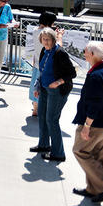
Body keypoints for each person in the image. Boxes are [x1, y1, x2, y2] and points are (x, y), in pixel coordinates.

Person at [71, 41, 103, 204]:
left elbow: (94, 104)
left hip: (96, 124)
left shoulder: (96, 76)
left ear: (92, 54)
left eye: (85, 51)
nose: (84, 53)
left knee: (80, 151)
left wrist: (87, 126)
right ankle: (93, 189)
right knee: (96, 156)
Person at [31, 27, 75, 162]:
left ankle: (58, 153)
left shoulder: (60, 53)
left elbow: (72, 73)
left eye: (48, 39)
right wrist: (38, 86)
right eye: (43, 39)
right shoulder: (45, 50)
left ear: (53, 39)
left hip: (57, 91)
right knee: (42, 116)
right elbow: (42, 70)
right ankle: (44, 145)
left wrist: (58, 82)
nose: (46, 42)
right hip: (44, 89)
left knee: (52, 119)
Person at [26, 12, 59, 116]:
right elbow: (55, 46)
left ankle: (35, 109)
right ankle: (42, 109)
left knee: (35, 86)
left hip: (37, 64)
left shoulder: (35, 31)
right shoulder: (47, 35)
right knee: (44, 88)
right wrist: (58, 35)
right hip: (47, 66)